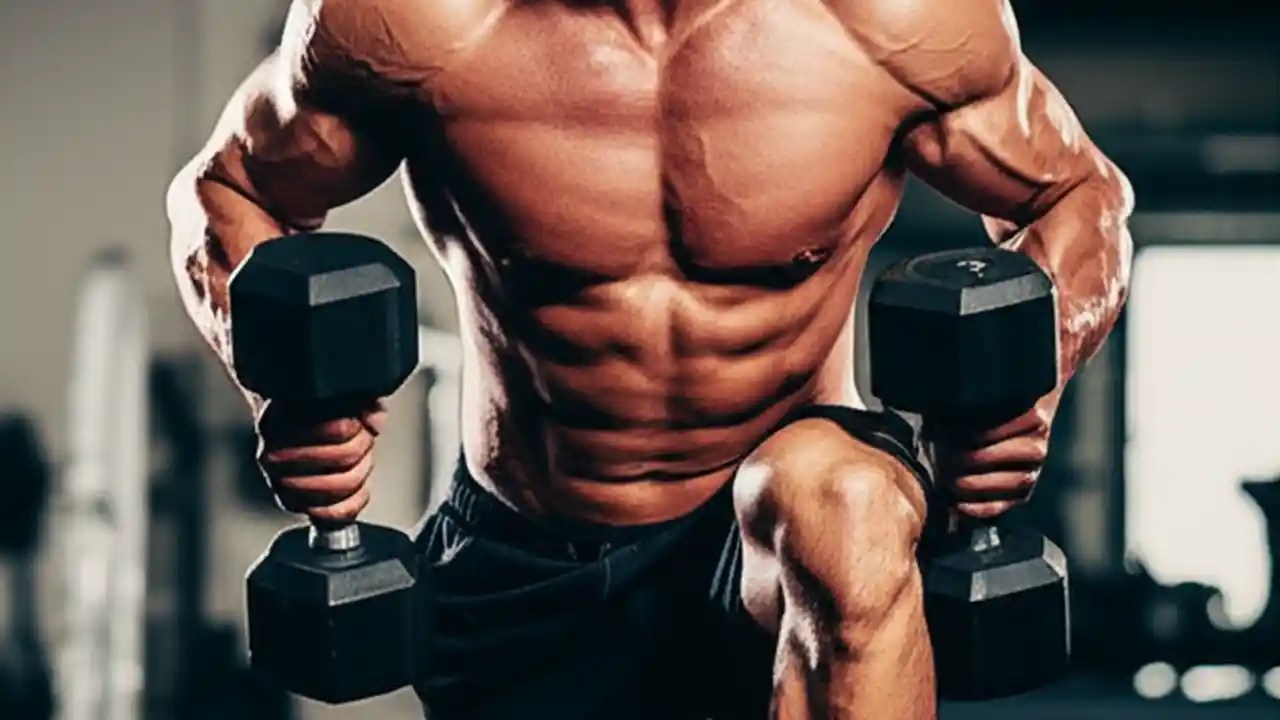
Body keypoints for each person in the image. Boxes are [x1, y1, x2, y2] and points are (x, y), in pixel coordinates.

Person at [166, 0, 1133, 717]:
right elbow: (226, 193)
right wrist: (282, 392)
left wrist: (1025, 390)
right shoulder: (420, 21)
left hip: (769, 536)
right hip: (522, 546)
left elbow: (1079, 195)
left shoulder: (891, 20)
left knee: (846, 508)